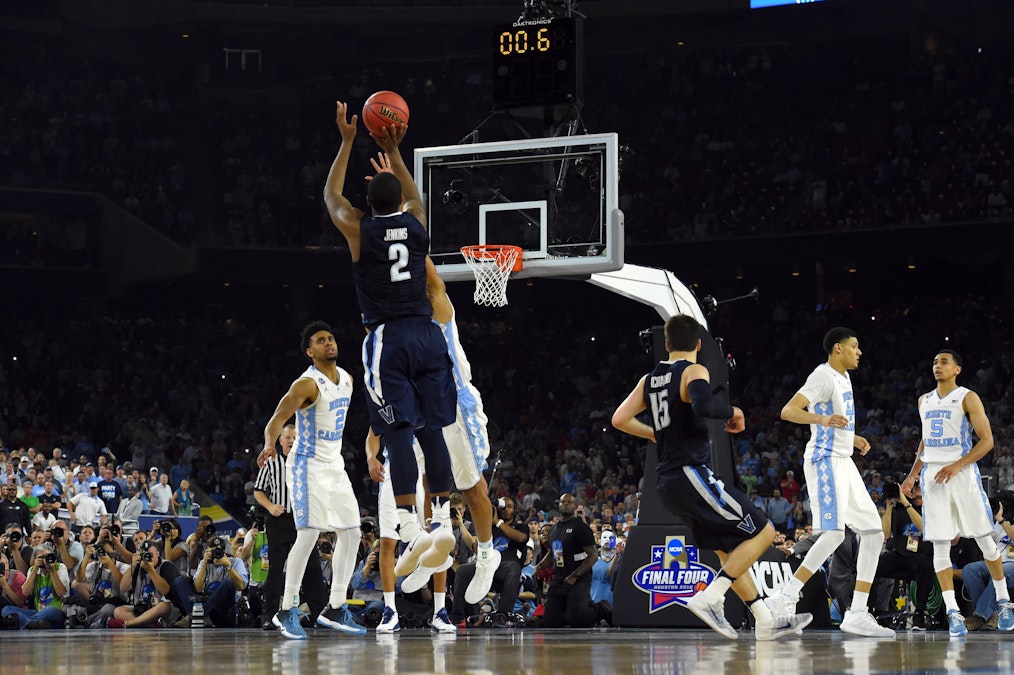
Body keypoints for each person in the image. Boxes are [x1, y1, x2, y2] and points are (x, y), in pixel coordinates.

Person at [611, 314, 811, 641]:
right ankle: (712, 595)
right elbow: (703, 404)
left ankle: (765, 620)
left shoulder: (649, 379)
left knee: (727, 551)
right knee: (765, 532)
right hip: (691, 473)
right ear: (699, 344)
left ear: (666, 343)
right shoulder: (693, 370)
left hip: (667, 484)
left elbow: (619, 419)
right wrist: (734, 411)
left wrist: (655, 435)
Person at [323, 102, 458, 577]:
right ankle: (442, 518)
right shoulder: (417, 224)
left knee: (398, 431)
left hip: (389, 338)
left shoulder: (360, 229)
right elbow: (415, 197)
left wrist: (346, 142)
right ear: (400, 200)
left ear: (368, 201)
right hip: (428, 334)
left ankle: (409, 525)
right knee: (432, 430)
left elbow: (331, 197)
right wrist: (395, 152)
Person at [765, 327, 894, 638]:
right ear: (838, 348)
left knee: (874, 533)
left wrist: (852, 438)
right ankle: (785, 597)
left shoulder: (843, 377)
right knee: (834, 534)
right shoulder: (822, 375)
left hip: (843, 460)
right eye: (854, 346)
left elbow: (836, 421)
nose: (859, 352)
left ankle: (858, 612)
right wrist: (822, 420)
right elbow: (788, 411)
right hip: (824, 460)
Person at [261, 321, 365, 640]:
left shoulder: (347, 379)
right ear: (310, 351)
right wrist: (269, 444)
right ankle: (287, 609)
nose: (328, 343)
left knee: (352, 533)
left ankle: (335, 607)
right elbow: (278, 418)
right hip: (307, 465)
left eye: (330, 338)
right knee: (308, 534)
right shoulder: (307, 384)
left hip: (334, 464)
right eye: (320, 340)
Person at [900, 349, 1014, 636]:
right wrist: (912, 474)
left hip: (962, 475)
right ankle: (953, 612)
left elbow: (987, 441)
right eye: (935, 362)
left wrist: (957, 465)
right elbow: (925, 441)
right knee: (940, 545)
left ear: (957, 369)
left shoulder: (967, 397)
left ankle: (1003, 602)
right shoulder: (924, 400)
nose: (937, 366)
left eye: (944, 362)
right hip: (933, 477)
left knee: (985, 539)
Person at [253, 422, 328, 631]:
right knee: (275, 569)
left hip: (303, 520)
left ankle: (319, 615)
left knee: (312, 567)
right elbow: (258, 490)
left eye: (295, 438)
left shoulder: (307, 462)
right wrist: (270, 506)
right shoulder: (271, 461)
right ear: (280, 440)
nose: (292, 441)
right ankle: (269, 617)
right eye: (288, 437)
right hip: (279, 520)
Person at [531, 493, 610, 628]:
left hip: (578, 578)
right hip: (558, 578)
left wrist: (575, 576)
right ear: (559, 505)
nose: (566, 504)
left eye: (570, 502)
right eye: (563, 502)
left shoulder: (581, 527)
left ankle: (602, 608)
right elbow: (552, 553)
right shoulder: (553, 529)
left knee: (578, 621)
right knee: (550, 622)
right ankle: (569, 614)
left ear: (575, 507)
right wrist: (539, 566)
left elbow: (593, 555)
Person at [878, 482, 936, 629]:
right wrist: (889, 506)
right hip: (899, 556)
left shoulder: (930, 508)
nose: (917, 486)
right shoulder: (898, 509)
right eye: (914, 484)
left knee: (925, 565)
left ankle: (919, 613)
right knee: (871, 566)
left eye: (920, 483)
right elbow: (885, 534)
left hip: (921, 556)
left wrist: (906, 503)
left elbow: (925, 529)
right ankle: (873, 611)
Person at [961, 496, 1014, 630]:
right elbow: (987, 542)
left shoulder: (1002, 522)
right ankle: (992, 615)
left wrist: (1001, 520)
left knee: (1001, 571)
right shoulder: (998, 524)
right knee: (970, 570)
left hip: (1011, 565)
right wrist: (985, 520)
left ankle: (980, 615)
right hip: (997, 561)